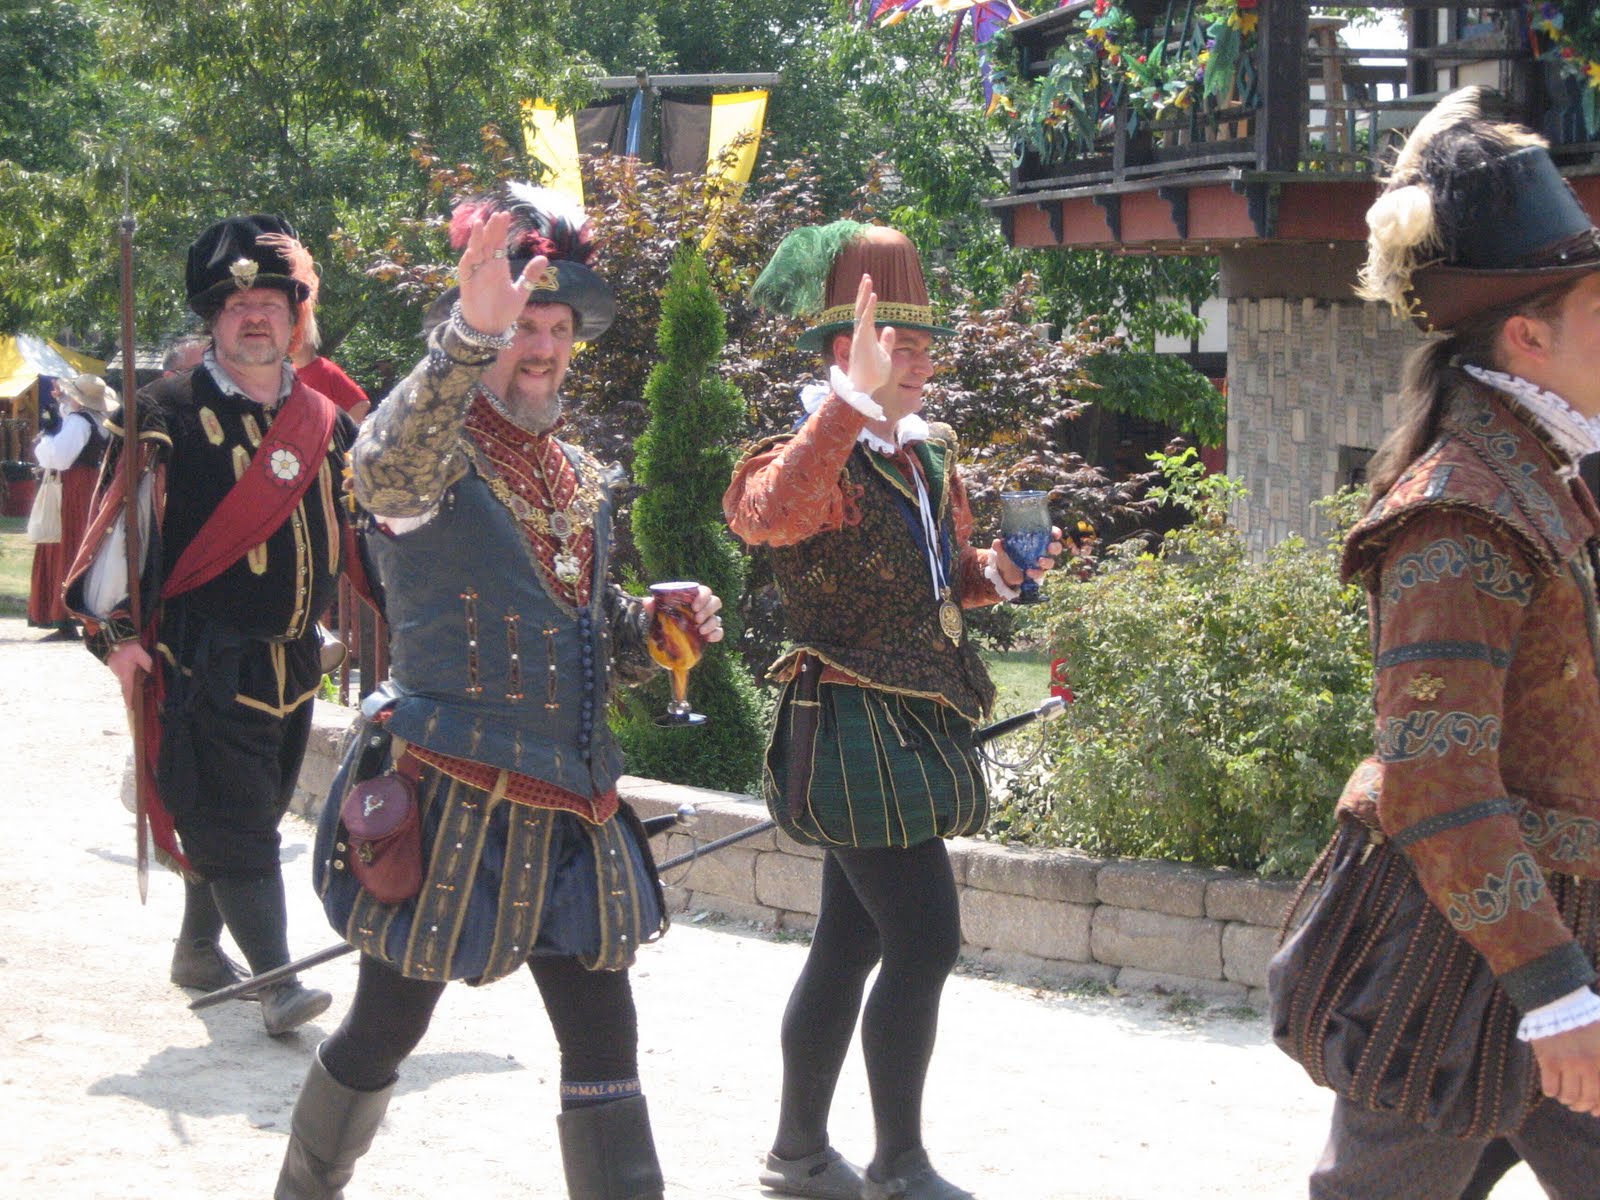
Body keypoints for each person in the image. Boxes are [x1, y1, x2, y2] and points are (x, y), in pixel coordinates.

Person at [273, 184, 724, 1200]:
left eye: (560, 328)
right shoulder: (433, 452)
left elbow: (586, 640)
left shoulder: (579, 474)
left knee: (606, 1041)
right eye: (527, 322)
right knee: (389, 1022)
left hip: (575, 804)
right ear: (486, 325)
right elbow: (378, 470)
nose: (546, 345)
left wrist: (655, 633)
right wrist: (466, 338)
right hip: (448, 791)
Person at [1282, 88, 1600, 1198]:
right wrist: (1554, 989)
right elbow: (1433, 781)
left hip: (1548, 942)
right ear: (1526, 335)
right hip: (1455, 959)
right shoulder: (1461, 511)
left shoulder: (1539, 475)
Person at [723, 222, 1061, 1200]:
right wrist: (844, 405)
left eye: (922, 347)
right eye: (897, 346)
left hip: (912, 722)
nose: (920, 364)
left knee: (851, 941)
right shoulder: (793, 456)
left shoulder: (925, 462)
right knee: (925, 941)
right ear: (845, 350)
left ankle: (796, 1154)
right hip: (846, 729)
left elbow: (937, 586)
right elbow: (770, 517)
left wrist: (994, 575)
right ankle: (899, 1166)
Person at [64, 214, 357, 1038]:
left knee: (252, 810)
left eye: (271, 300)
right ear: (213, 320)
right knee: (233, 820)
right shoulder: (163, 410)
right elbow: (119, 533)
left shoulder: (325, 420)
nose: (255, 316)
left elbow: (375, 516)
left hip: (295, 662)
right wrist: (113, 635)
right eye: (236, 307)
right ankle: (277, 980)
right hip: (203, 656)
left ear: (294, 314)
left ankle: (199, 951)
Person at [28, 373, 110, 639]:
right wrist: (63, 403)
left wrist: (45, 442)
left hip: (72, 486)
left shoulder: (78, 422)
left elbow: (61, 458)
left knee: (63, 543)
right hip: (88, 485)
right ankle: (76, 611)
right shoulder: (99, 420)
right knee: (80, 544)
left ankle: (62, 614)